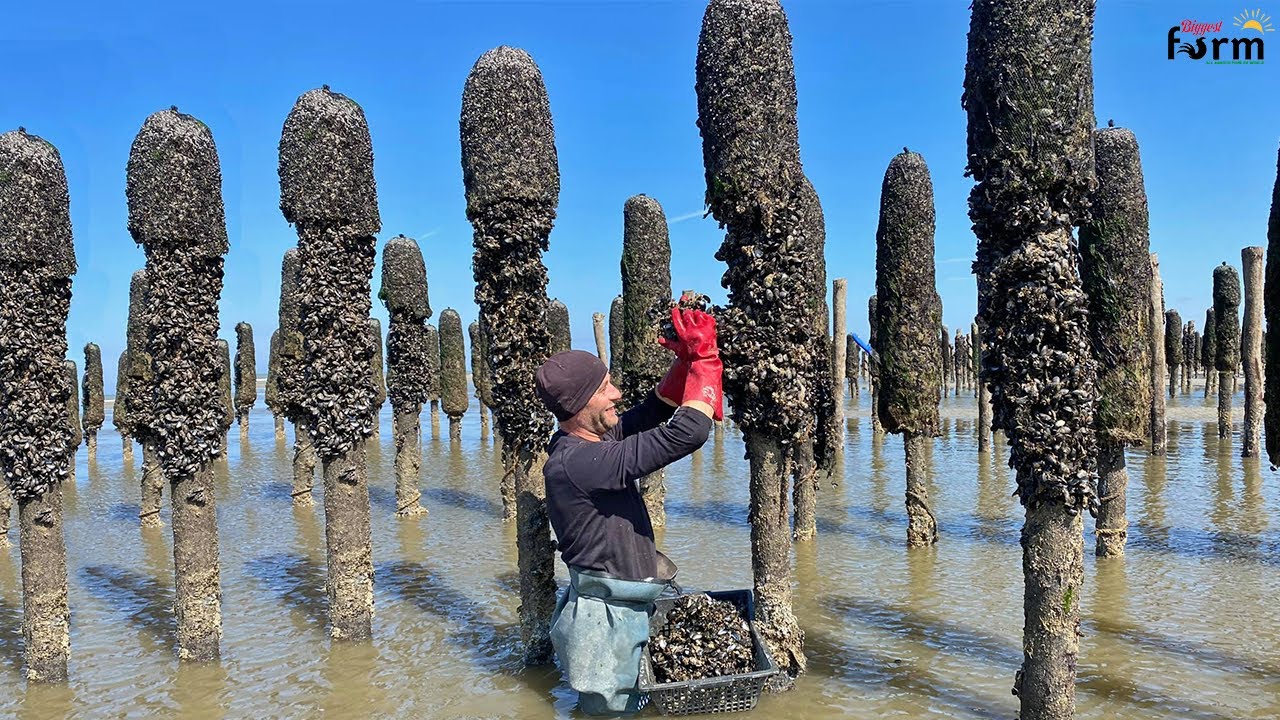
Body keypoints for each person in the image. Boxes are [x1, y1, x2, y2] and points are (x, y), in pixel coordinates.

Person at [537, 307, 722, 715]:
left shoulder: (590, 442)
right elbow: (686, 433)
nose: (617, 393)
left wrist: (686, 363)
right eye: (606, 388)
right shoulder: (579, 463)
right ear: (580, 403)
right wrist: (707, 362)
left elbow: (653, 413)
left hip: (623, 604)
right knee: (613, 714)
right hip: (606, 622)